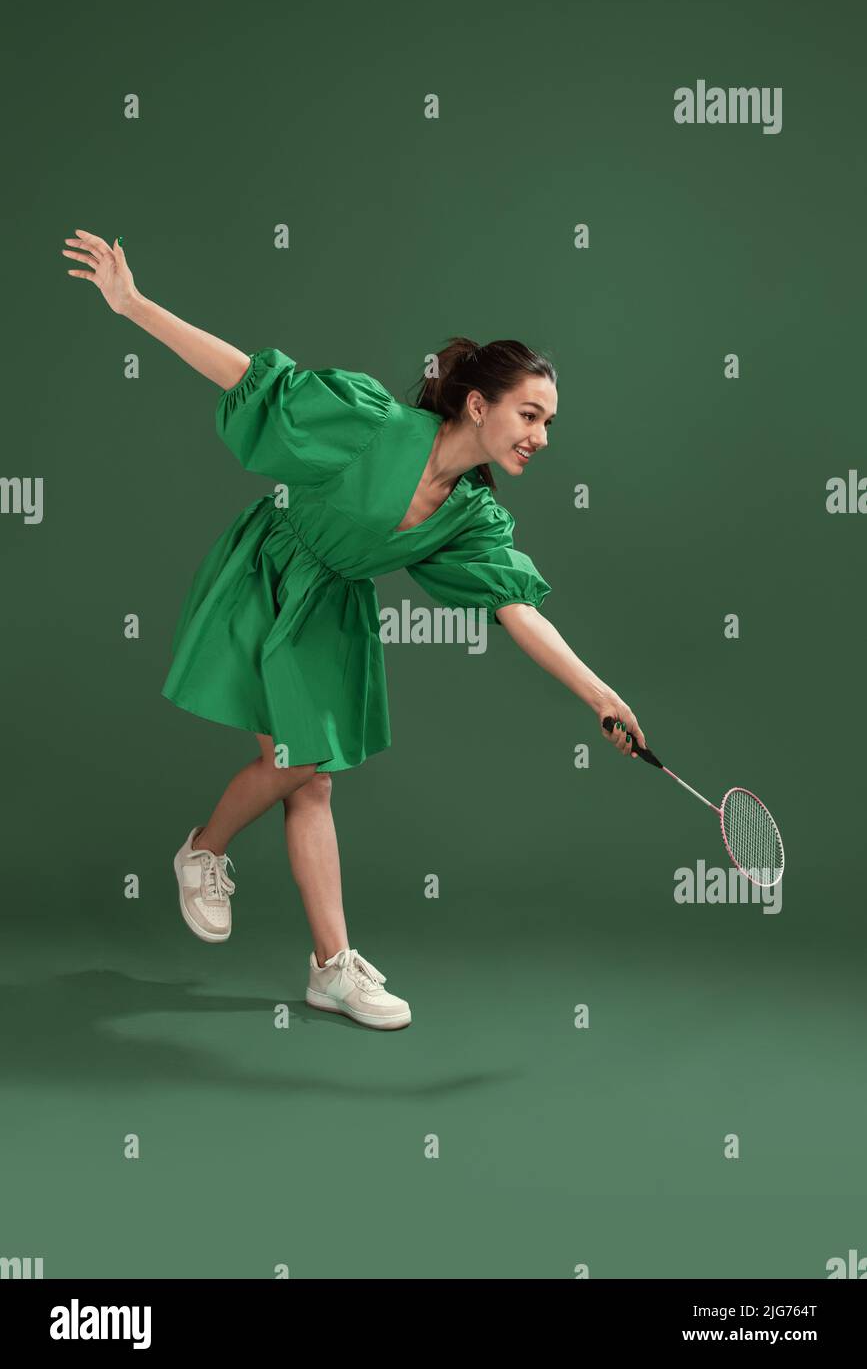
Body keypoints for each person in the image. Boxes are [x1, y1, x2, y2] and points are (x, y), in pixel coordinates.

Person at [63, 227, 648, 1033]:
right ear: (478, 405)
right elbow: (248, 379)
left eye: (549, 422)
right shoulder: (375, 424)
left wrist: (599, 694)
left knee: (314, 778)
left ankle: (330, 968)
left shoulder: (473, 515)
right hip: (270, 570)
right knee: (294, 759)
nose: (540, 437)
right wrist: (133, 305)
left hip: (333, 606)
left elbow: (518, 608)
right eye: (529, 414)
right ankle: (204, 849)